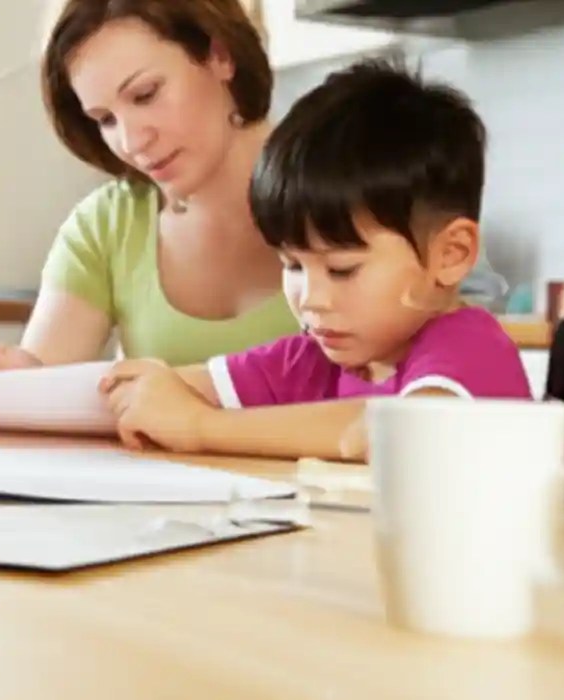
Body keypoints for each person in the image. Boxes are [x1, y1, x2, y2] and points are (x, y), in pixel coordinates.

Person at [0, 0, 504, 431]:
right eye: (104, 119)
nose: (131, 141)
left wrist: (201, 427)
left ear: (219, 56)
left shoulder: (345, 188)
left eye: (146, 94)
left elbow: (418, 415)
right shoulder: (109, 226)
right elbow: (96, 392)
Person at [98, 58, 530, 461]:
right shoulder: (312, 361)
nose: (311, 300)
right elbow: (171, 390)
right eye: (293, 266)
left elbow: (404, 433)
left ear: (450, 255)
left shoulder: (471, 347)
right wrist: (139, 388)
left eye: (342, 269)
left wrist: (201, 426)